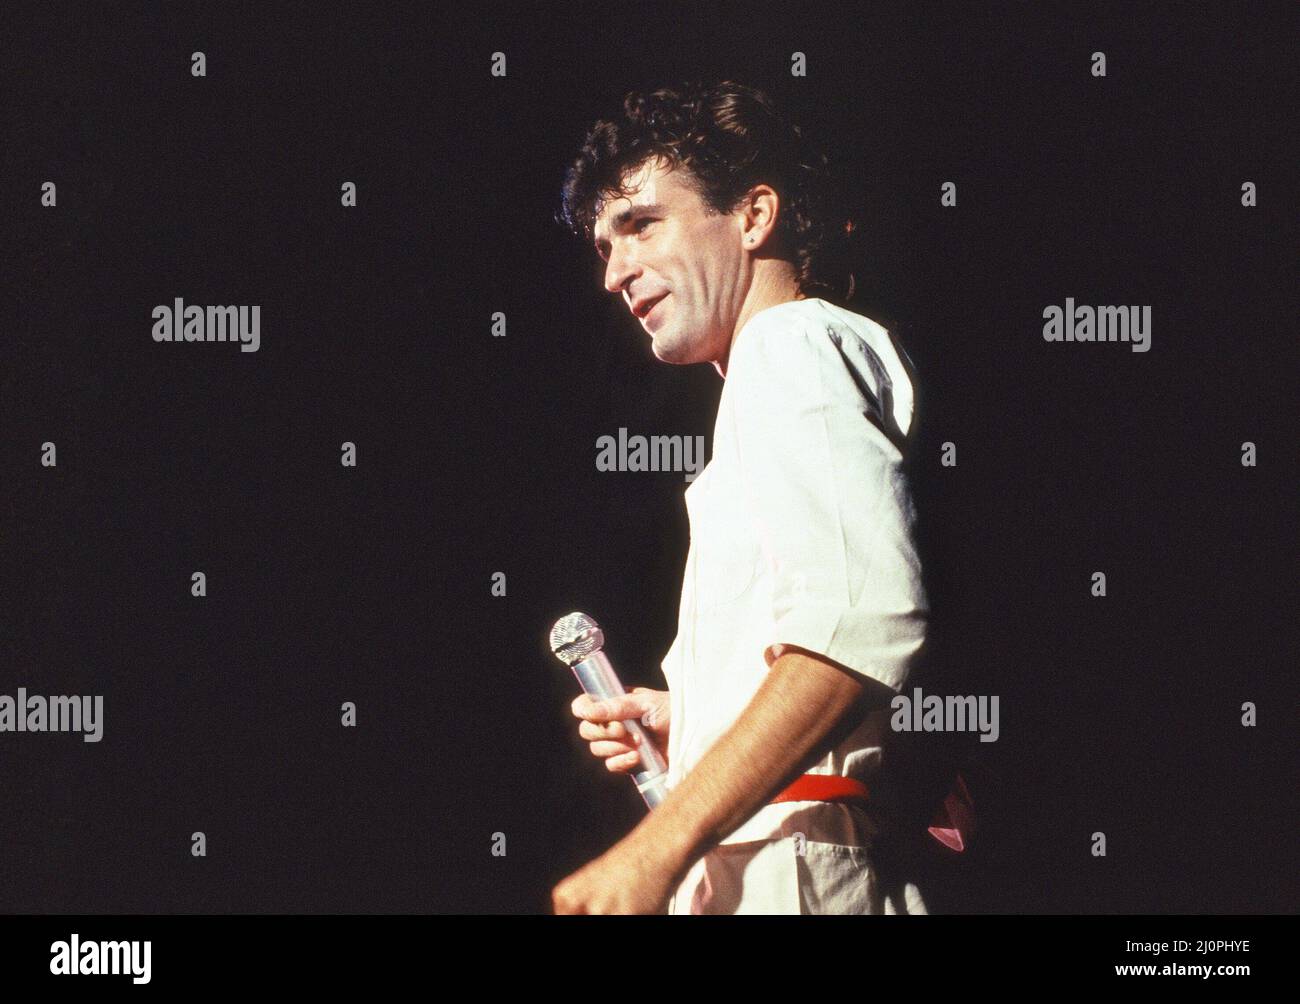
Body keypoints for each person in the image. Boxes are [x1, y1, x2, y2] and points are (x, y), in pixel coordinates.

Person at [550, 80, 932, 915]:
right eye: (600, 246)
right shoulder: (795, 366)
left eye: (641, 224)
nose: (614, 272)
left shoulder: (786, 346)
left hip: (795, 877)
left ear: (754, 215)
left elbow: (858, 628)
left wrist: (655, 847)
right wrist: (691, 721)